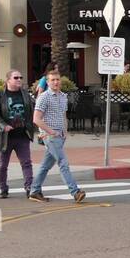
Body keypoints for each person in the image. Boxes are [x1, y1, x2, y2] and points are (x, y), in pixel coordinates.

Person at [27, 69, 85, 203]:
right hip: (50, 136)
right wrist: (50, 131)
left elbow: (63, 115)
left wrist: (65, 130)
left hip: (60, 136)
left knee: (45, 166)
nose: (56, 82)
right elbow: (36, 119)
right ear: (47, 82)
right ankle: (75, 192)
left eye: (57, 79)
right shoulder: (44, 97)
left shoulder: (63, 96)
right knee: (63, 163)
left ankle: (34, 191)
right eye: (52, 80)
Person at [0, 68, 36, 199]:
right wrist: (4, 125)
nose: (19, 80)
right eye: (16, 78)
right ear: (8, 80)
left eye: (20, 77)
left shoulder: (25, 94)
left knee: (26, 163)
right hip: (6, 136)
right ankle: (3, 189)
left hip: (23, 134)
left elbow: (34, 109)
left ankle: (29, 188)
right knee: (2, 165)